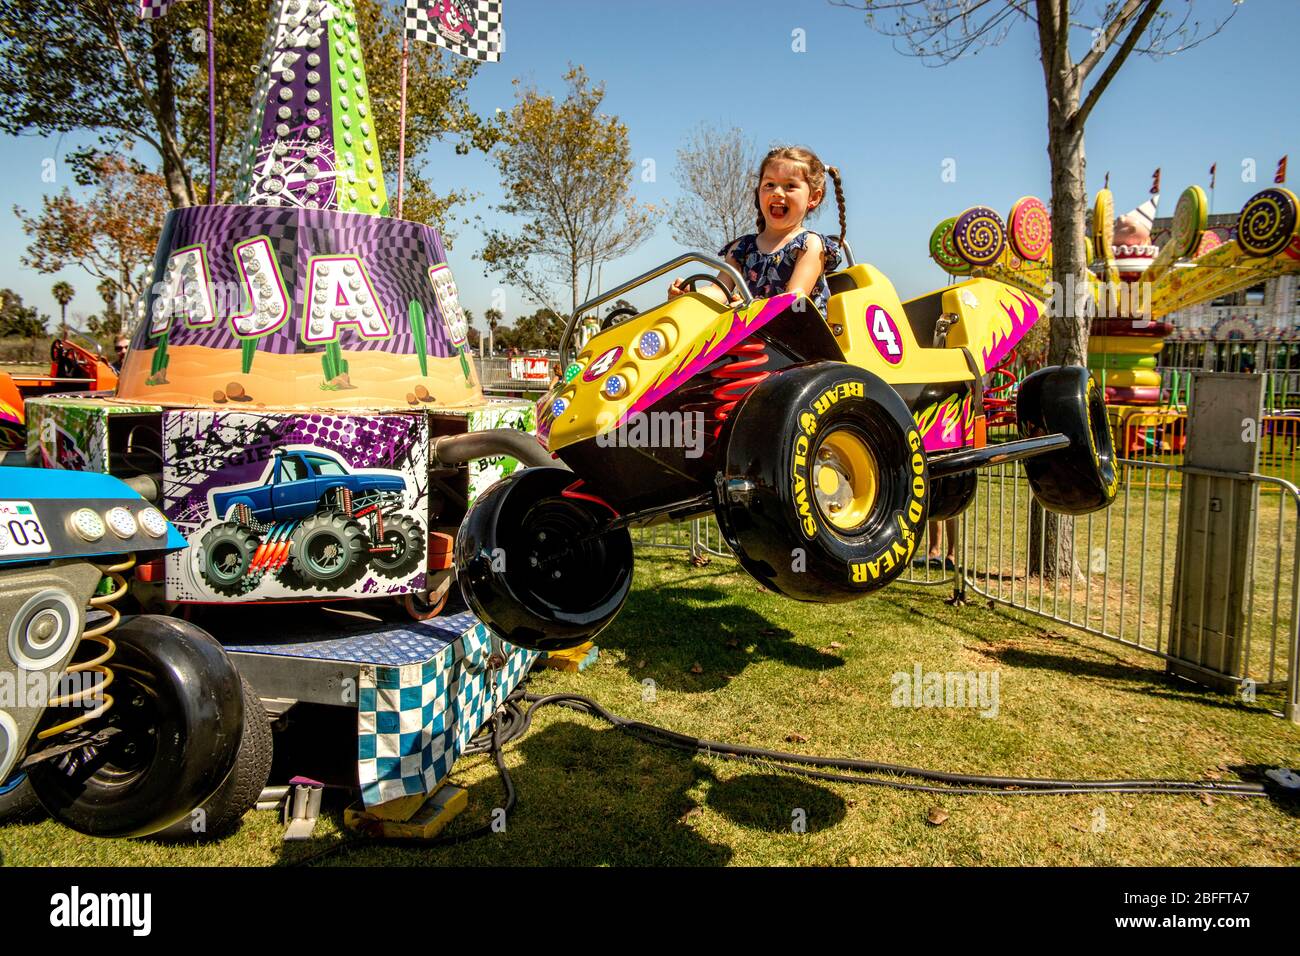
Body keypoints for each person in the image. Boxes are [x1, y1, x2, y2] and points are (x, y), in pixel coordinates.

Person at [668, 145, 845, 314]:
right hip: (753, 336)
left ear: (813, 197)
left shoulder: (809, 245)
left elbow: (795, 299)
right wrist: (692, 295)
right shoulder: (742, 248)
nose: (777, 192)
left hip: (796, 338)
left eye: (790, 186)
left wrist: (753, 308)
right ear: (759, 191)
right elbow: (719, 290)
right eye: (769, 184)